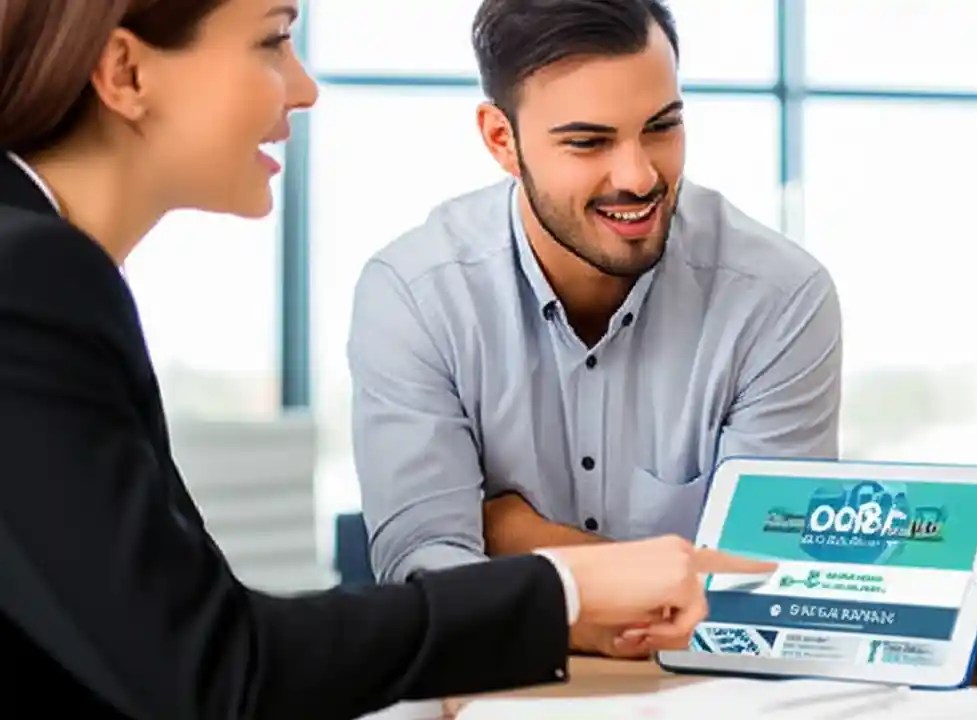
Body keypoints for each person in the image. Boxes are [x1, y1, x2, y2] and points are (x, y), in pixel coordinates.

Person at [0, 2, 772, 718]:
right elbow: (209, 668)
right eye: (272, 39)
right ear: (127, 74)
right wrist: (564, 593)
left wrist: (527, 553)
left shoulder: (42, 270)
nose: (304, 88)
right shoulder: (32, 282)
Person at [347, 0, 841, 658]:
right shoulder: (413, 295)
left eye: (662, 128)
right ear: (502, 140)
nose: (639, 176)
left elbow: (761, 595)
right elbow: (427, 580)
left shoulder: (779, 298)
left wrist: (513, 536)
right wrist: (642, 580)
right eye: (589, 142)